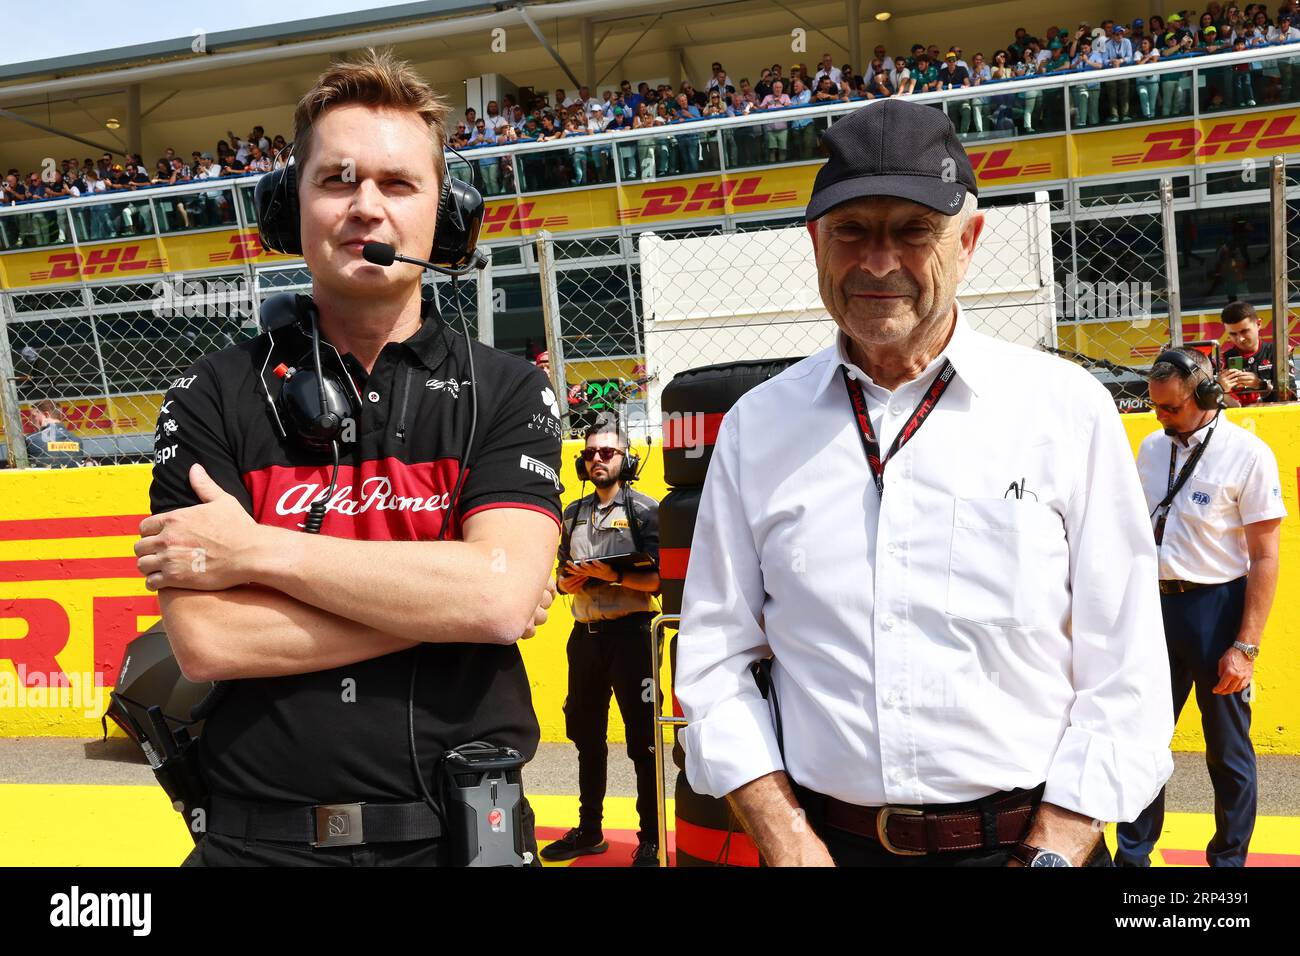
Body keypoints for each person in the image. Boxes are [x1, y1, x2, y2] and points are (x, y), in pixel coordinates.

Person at [673, 98, 1174, 868]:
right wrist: (784, 836)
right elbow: (713, 658)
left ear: (967, 241)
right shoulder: (755, 427)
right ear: (815, 242)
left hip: (1029, 848)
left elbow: (1126, 663)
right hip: (825, 849)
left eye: (913, 231)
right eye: (852, 232)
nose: (878, 262)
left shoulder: (1065, 410)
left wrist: (1058, 846)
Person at [135, 47, 563, 867]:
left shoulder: (509, 390)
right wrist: (448, 598)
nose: (366, 206)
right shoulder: (208, 395)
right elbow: (209, 641)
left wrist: (256, 550)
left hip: (459, 840)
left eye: (398, 184)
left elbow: (499, 603)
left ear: (449, 215)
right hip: (252, 845)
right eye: (336, 180)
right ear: (286, 208)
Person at [1116, 348, 1285, 866]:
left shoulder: (1247, 454)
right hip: (1153, 611)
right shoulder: (1149, 448)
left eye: (1170, 408)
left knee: (1227, 751)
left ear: (1206, 397)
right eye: (1155, 407)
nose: (1159, 417)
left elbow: (1265, 556)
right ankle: (1133, 857)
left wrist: (1245, 646)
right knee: (1142, 742)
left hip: (1216, 609)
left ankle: (1228, 863)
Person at [541, 415, 663, 866]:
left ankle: (650, 837)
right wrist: (572, 581)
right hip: (585, 636)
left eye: (606, 452)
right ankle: (589, 830)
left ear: (626, 459)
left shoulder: (647, 509)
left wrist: (614, 574)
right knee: (586, 735)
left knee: (642, 740)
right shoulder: (572, 513)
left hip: (633, 636)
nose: (596, 459)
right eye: (589, 453)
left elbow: (659, 580)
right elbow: (562, 576)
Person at [1217, 301, 1294, 404]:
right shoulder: (1221, 360)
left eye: (1244, 331)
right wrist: (1219, 391)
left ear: (1258, 324)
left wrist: (1261, 386)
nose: (1240, 339)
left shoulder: (1279, 353)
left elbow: (1291, 400)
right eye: (1233, 334)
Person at [24, 399, 82, 467]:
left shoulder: (30, 440)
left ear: (46, 415)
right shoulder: (77, 440)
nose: (31, 423)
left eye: (34, 417)